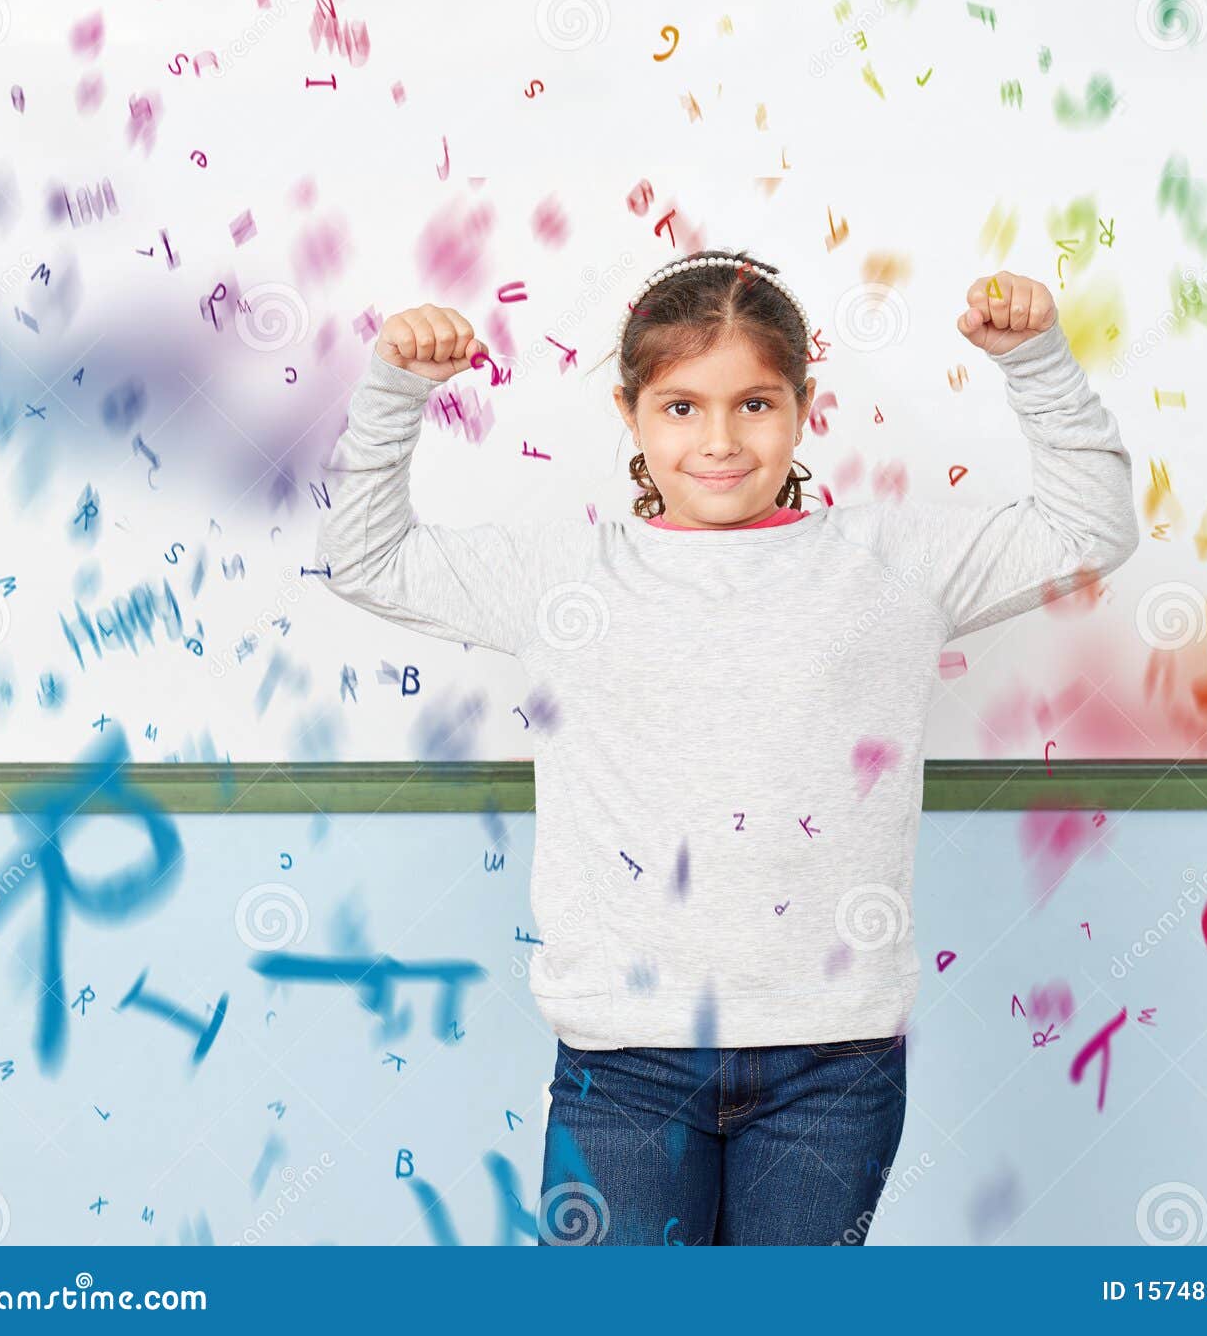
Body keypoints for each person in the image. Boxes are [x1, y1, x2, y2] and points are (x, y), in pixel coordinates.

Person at [314, 247, 1139, 1245]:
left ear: (803, 406)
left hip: (832, 1062)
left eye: (754, 403)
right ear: (630, 413)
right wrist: (397, 387)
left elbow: (1087, 529)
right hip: (625, 1060)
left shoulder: (889, 562)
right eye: (680, 407)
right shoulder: (565, 575)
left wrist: (1038, 360)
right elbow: (363, 558)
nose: (720, 440)